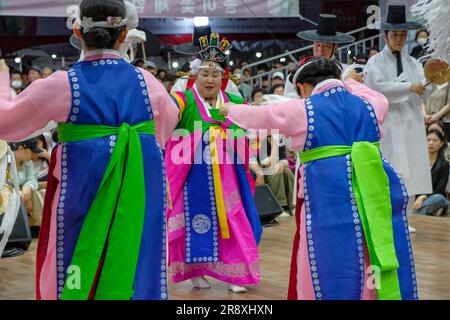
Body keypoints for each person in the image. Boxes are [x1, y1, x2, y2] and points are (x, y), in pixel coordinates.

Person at [0, 0, 179, 300]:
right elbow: (167, 123)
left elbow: (7, 123)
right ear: (123, 35)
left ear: (78, 32)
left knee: (78, 250)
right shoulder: (147, 82)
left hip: (83, 188)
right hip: (138, 186)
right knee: (137, 250)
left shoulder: (63, 84)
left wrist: (3, 80)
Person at [221, 57, 418, 300]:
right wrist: (348, 82)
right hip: (371, 189)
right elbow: (379, 97)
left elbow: (262, 115)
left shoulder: (304, 108)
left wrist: (228, 109)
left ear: (303, 87)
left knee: (323, 256)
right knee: (370, 249)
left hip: (327, 193)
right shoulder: (369, 103)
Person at [166, 33, 262, 294]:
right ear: (194, 76)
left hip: (228, 178)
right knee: (192, 224)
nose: (210, 79)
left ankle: (236, 274)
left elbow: (247, 132)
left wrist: (250, 159)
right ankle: (196, 272)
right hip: (191, 179)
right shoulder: (182, 101)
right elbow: (165, 128)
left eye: (215, 75)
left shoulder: (235, 104)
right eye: (205, 73)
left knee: (234, 221)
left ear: (224, 79)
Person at [365, 5, 433, 212]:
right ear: (386, 36)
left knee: (412, 169)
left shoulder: (413, 63)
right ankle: (385, 216)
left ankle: (405, 216)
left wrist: (432, 81)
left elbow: (424, 90)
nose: (399, 38)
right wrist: (408, 86)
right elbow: (377, 88)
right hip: (389, 123)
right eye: (395, 34)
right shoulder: (374, 62)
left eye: (403, 35)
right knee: (388, 169)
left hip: (410, 122)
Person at [414, 129, 449, 216]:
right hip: (415, 200)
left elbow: (440, 190)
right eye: (428, 140)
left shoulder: (444, 164)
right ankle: (426, 211)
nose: (431, 143)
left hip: (433, 198)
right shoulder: (417, 161)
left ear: (441, 143)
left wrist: (422, 197)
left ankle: (417, 215)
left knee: (439, 198)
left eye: (435, 140)